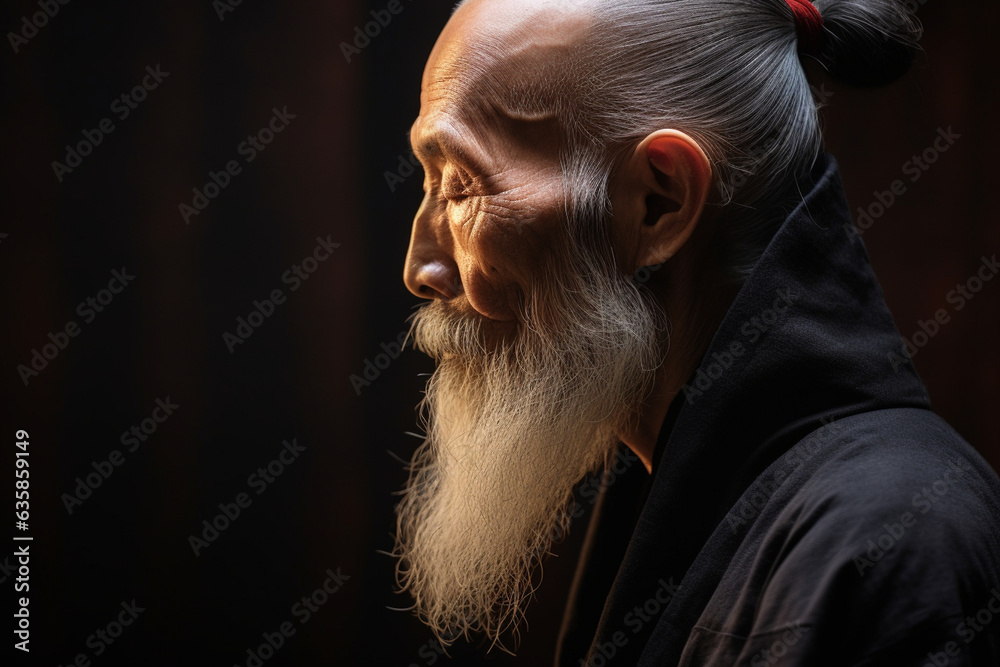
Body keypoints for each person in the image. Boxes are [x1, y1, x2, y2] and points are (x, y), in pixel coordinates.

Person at [392, 0, 1000, 664]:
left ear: (659, 202)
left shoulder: (893, 543)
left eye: (462, 186)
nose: (420, 268)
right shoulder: (667, 492)